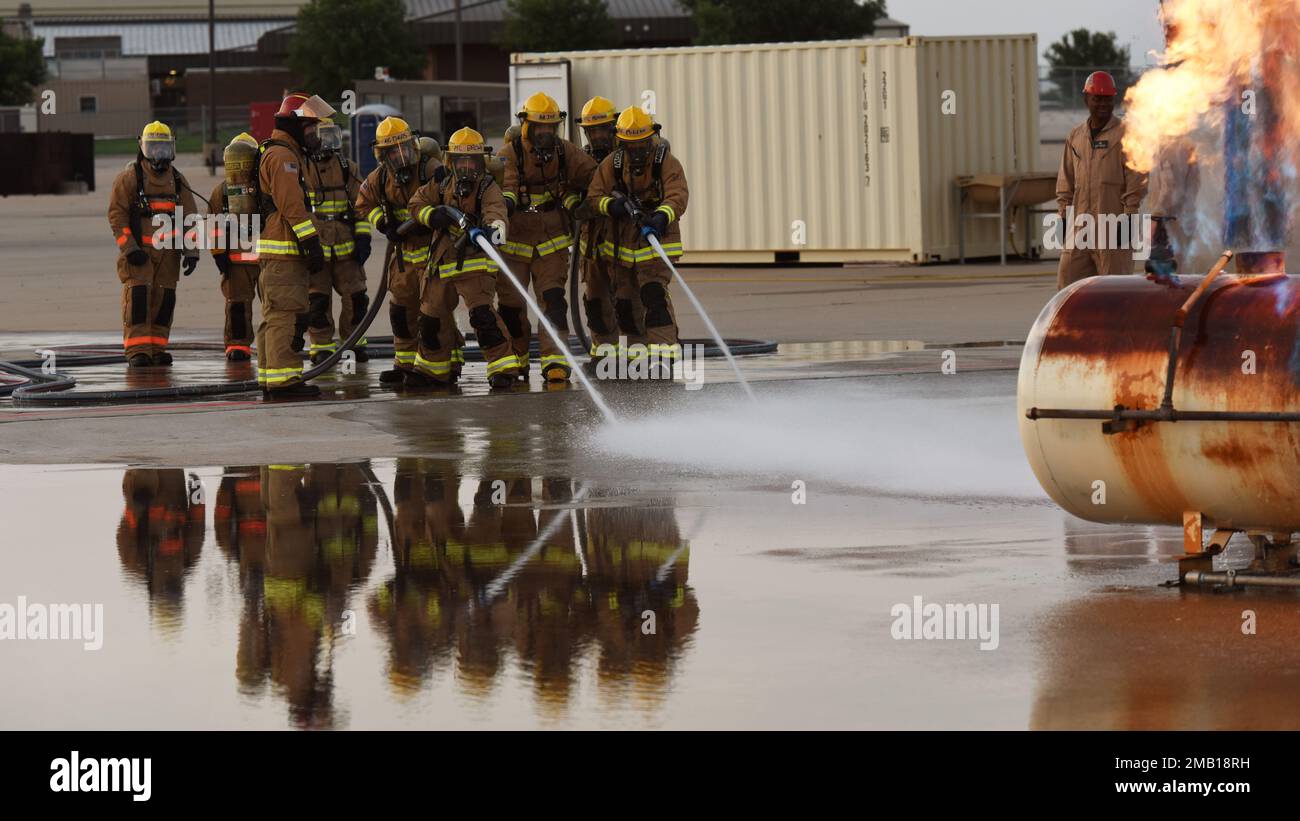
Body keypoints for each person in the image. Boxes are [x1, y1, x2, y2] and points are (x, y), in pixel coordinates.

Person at [401, 127, 518, 389]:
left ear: (481, 162)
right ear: (450, 161)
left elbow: (497, 212)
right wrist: (432, 216)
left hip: (475, 264)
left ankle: (503, 368)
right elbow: (415, 204)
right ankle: (433, 370)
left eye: (472, 161)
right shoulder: (441, 185)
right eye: (460, 161)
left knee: (482, 318)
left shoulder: (487, 186)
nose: (466, 167)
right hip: (442, 262)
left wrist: (493, 231)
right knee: (430, 319)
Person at [578, 106, 689, 378]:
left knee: (653, 296)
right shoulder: (612, 163)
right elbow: (593, 198)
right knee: (626, 304)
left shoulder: (666, 161)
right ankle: (637, 358)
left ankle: (663, 356)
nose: (637, 151)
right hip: (621, 247)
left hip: (655, 242)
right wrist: (611, 206)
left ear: (652, 137)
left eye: (642, 144)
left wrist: (662, 216)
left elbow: (677, 195)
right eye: (631, 145)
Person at [498, 92, 597, 382]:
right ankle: (516, 360)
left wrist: (592, 201)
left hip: (552, 242)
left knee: (553, 301)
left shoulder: (565, 152)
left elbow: (594, 176)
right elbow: (506, 186)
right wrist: (506, 203)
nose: (545, 133)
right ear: (526, 125)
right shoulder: (509, 154)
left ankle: (555, 361)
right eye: (539, 127)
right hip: (514, 242)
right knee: (511, 304)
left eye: (550, 127)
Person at [254, 92, 335, 398]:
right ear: (295, 126)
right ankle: (283, 382)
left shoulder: (287, 152)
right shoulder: (282, 157)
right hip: (284, 253)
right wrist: (311, 242)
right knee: (285, 316)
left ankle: (270, 376)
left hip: (282, 253)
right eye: (311, 127)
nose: (315, 134)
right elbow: (291, 206)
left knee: (276, 316)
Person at [355, 117, 446, 385]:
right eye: (393, 151)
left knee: (432, 315)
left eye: (404, 147)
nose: (401, 154)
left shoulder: (431, 170)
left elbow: (452, 201)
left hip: (434, 254)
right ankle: (405, 364)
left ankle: (437, 369)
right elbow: (363, 204)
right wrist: (382, 223)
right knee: (401, 313)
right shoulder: (380, 178)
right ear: (383, 155)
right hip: (404, 258)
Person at [106, 121, 200, 367]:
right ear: (142, 147)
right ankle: (138, 351)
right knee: (138, 302)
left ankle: (157, 348)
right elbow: (117, 216)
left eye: (164, 148)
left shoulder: (178, 181)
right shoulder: (129, 179)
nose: (159, 155)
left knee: (164, 302)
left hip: (168, 255)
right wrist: (130, 249)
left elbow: (189, 217)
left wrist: (191, 251)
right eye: (154, 148)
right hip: (140, 256)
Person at [1055, 71, 1147, 290]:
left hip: (1113, 228)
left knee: (1115, 292)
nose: (1103, 104)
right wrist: (1063, 216)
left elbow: (1136, 180)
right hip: (1080, 230)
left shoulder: (1128, 135)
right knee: (1067, 289)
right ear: (1086, 99)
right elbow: (1065, 181)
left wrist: (1129, 218)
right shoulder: (1076, 137)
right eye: (1097, 98)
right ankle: (1072, 326)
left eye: (1107, 99)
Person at [574, 96, 641, 366]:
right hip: (592, 244)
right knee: (595, 302)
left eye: (603, 129)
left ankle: (640, 356)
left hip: (625, 242)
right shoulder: (581, 160)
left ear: (614, 127)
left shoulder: (629, 156)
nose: (598, 136)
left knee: (629, 301)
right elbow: (571, 196)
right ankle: (605, 356)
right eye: (592, 131)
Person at [303, 119, 372, 363]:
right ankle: (322, 346)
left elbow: (361, 205)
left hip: (347, 248)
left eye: (331, 136)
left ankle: (354, 342)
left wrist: (363, 235)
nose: (328, 143)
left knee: (356, 297)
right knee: (317, 300)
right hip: (317, 247)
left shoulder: (347, 167)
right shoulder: (303, 168)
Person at [209, 133, 261, 361]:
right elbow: (213, 224)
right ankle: (237, 346)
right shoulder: (221, 192)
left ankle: (279, 345)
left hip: (267, 258)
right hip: (237, 262)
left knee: (278, 305)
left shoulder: (265, 187)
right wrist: (219, 254)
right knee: (238, 306)